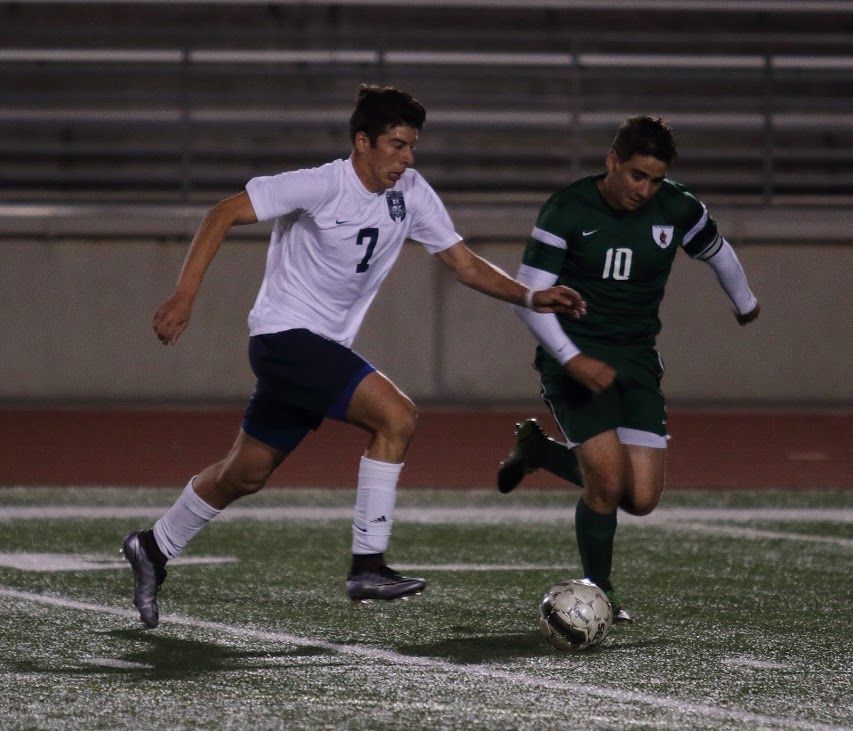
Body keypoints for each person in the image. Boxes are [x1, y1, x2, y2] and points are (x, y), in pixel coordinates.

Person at [122, 84, 586, 628]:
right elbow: (221, 213)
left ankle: (153, 546)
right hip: (285, 339)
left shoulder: (410, 192)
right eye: (395, 145)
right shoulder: (321, 184)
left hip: (317, 350)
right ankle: (368, 564)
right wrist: (184, 296)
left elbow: (463, 263)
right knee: (397, 415)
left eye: (411, 146)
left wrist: (529, 295)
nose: (406, 158)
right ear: (361, 142)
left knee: (243, 474)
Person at [496, 115, 759, 622]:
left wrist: (745, 301)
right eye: (637, 175)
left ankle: (538, 452)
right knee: (607, 485)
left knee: (640, 499)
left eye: (655, 179)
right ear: (612, 161)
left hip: (637, 359)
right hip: (572, 355)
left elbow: (718, 251)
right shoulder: (568, 207)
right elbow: (527, 297)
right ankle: (601, 589)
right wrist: (572, 359)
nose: (645, 189)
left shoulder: (678, 207)